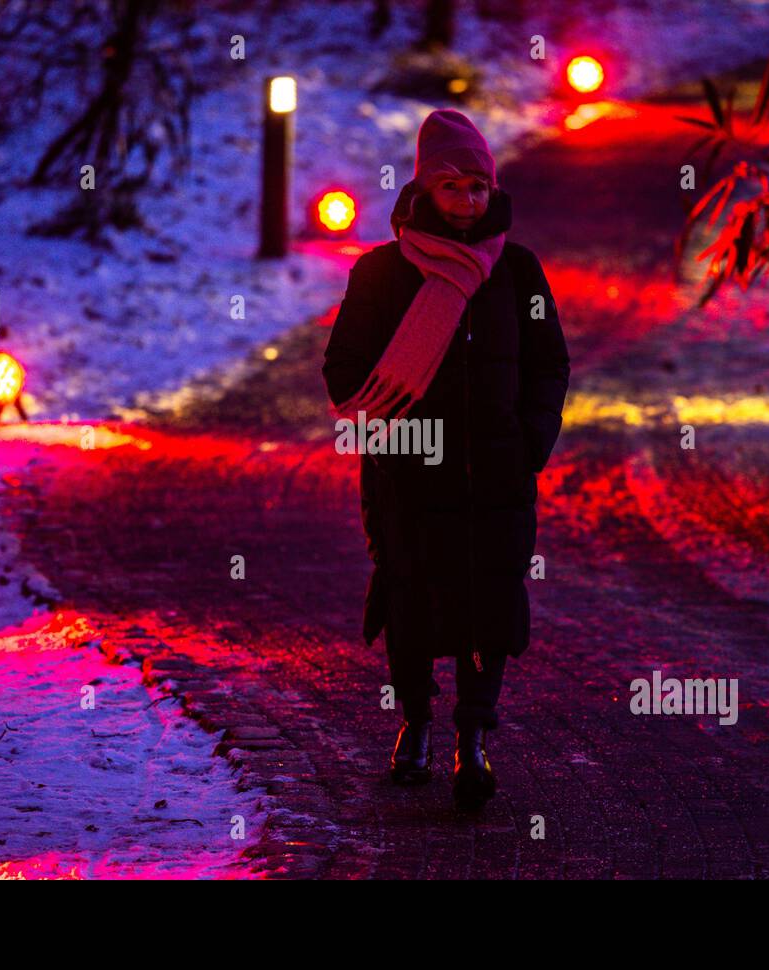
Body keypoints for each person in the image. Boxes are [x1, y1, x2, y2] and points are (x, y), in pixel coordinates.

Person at [322, 108, 570, 811]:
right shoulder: (382, 273)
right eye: (454, 188)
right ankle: (415, 726)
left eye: (479, 189)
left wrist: (528, 440)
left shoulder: (517, 273)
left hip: (496, 476)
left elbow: (548, 361)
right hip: (409, 479)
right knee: (411, 596)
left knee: (488, 601)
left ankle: (475, 738)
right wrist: (393, 441)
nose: (468, 202)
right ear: (426, 189)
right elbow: (344, 367)